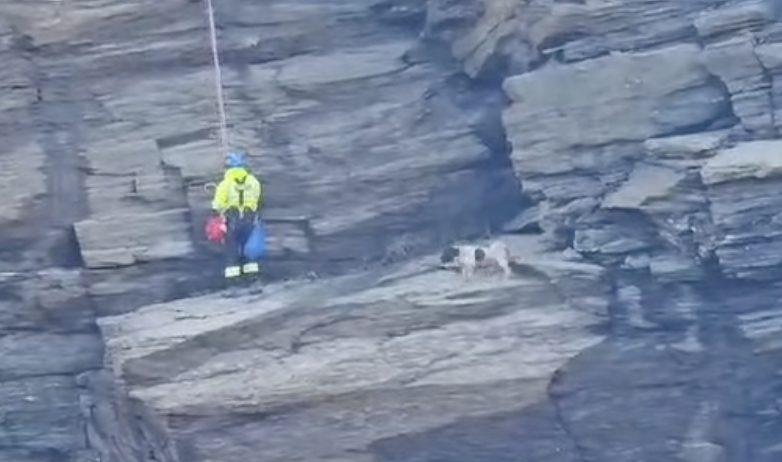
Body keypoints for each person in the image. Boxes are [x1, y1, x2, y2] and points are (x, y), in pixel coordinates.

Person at [211, 149, 263, 285]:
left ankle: (233, 285)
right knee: (249, 249)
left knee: (232, 251)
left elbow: (218, 204)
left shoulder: (225, 184)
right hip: (249, 220)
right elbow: (257, 199)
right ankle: (253, 281)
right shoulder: (253, 181)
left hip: (232, 221)